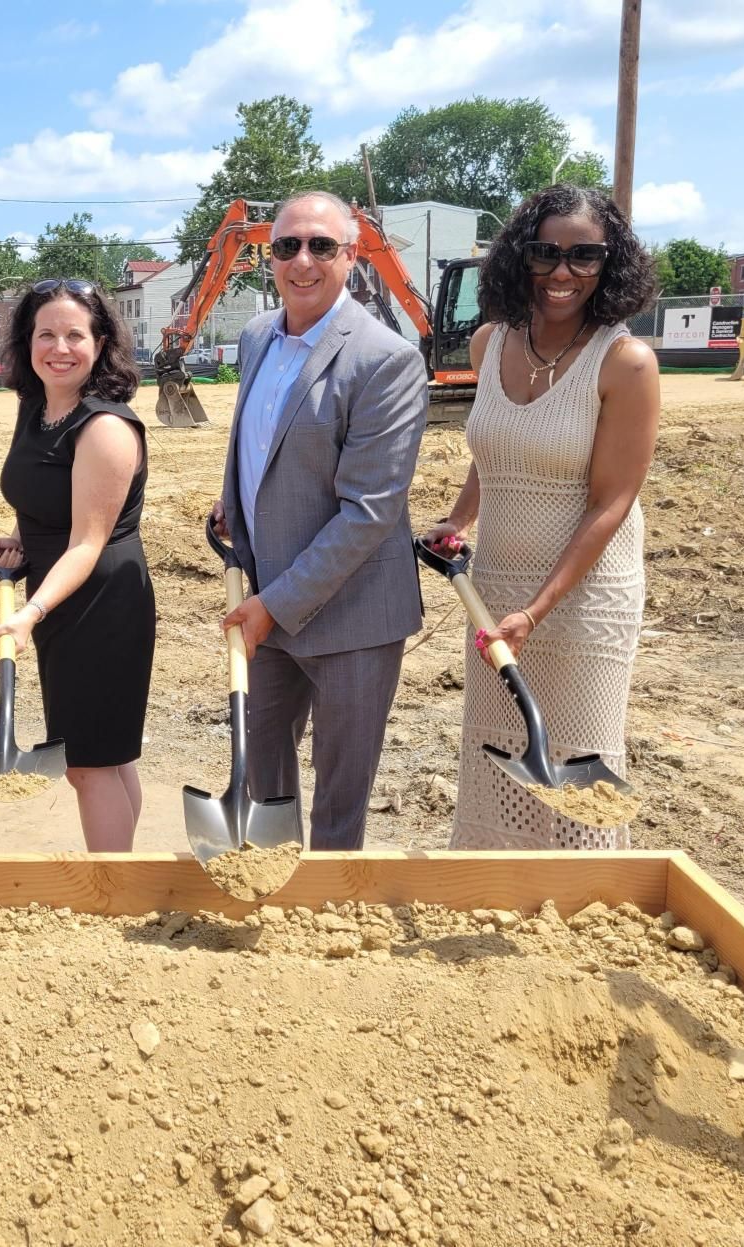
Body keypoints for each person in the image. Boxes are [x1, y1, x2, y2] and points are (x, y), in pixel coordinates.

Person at [421, 184, 659, 850]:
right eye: (545, 253)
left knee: (577, 752)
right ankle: (497, 882)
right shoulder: (489, 343)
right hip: (497, 584)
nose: (562, 272)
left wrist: (537, 609)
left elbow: (611, 501)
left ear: (610, 262)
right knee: (499, 747)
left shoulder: (624, 363)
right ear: (519, 257)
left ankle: (583, 893)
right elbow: (500, 446)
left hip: (584, 597)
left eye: (584, 256)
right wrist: (459, 519)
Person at [212, 190, 428, 851]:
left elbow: (368, 511)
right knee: (263, 783)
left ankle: (328, 905)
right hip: (266, 601)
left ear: (351, 255)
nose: (301, 261)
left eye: (321, 246)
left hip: (353, 616)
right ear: (268, 257)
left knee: (338, 807)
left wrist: (271, 606)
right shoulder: (257, 337)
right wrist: (234, 504)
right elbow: (262, 444)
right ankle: (272, 890)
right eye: (286, 246)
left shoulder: (385, 360)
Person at [0, 279, 154, 850]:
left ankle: (111, 885)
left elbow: (87, 540)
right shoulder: (37, 406)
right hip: (59, 593)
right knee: (106, 756)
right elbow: (46, 495)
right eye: (46, 334)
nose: (59, 348)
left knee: (87, 763)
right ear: (26, 341)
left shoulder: (104, 427)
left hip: (101, 602)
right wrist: (19, 537)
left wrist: (28, 613)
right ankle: (122, 874)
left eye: (75, 335)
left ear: (100, 343)